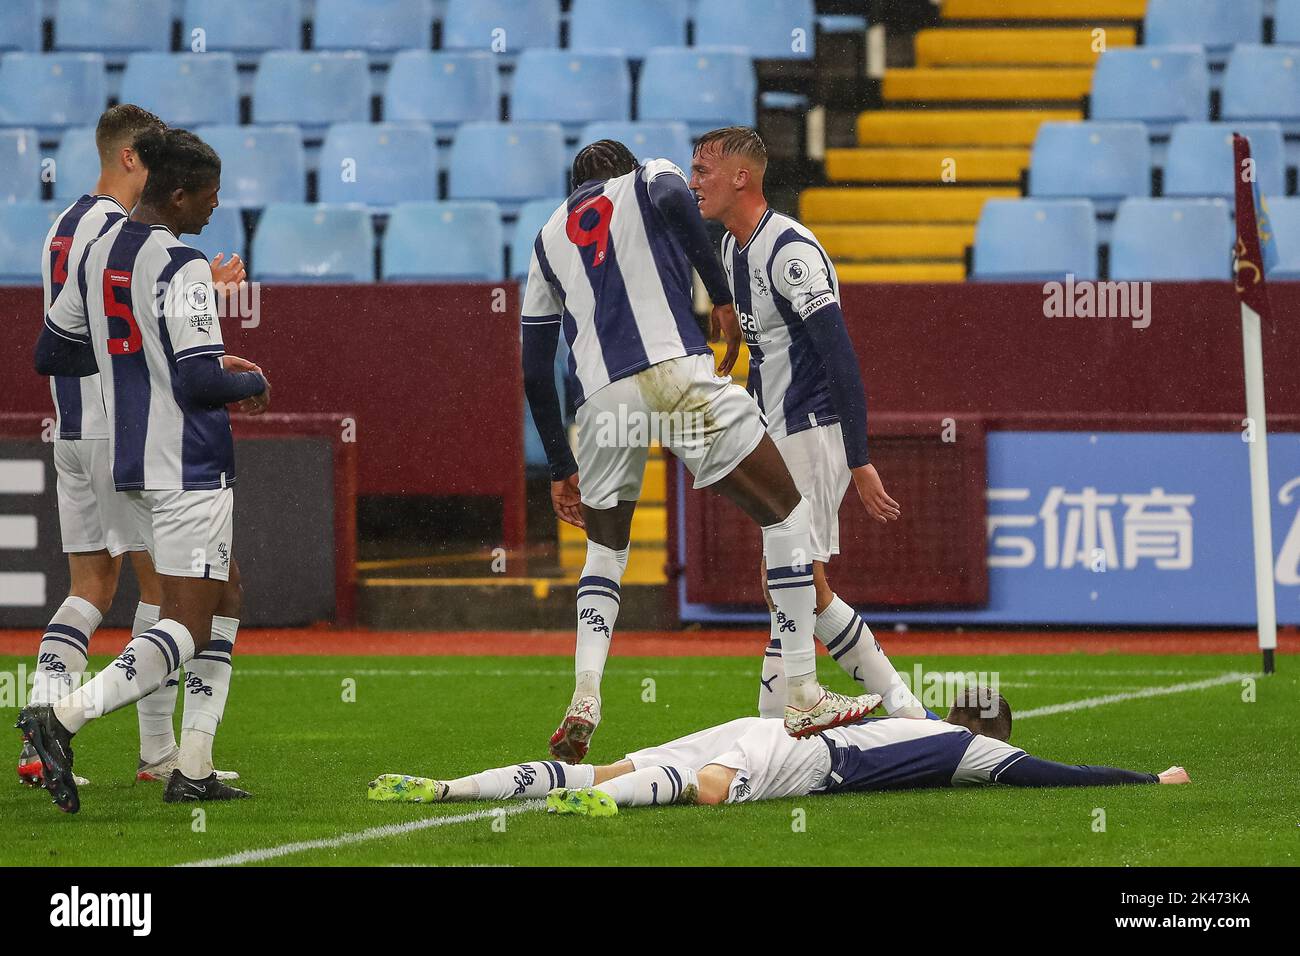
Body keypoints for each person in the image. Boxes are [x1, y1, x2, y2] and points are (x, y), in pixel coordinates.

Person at [521, 140, 879, 763]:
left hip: (603, 401)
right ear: (622, 168)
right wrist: (720, 294)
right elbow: (668, 197)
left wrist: (559, 464)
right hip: (674, 375)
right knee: (786, 515)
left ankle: (585, 695)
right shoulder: (648, 177)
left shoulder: (547, 238)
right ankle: (802, 688)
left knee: (605, 552)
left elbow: (533, 367)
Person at [18, 127, 269, 813]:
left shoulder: (99, 252)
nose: (215, 209)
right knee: (186, 622)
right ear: (179, 194)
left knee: (226, 592)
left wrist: (133, 373)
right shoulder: (184, 265)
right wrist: (251, 381)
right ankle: (62, 717)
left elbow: (51, 352)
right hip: (189, 461)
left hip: (129, 459)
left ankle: (193, 764)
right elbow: (197, 383)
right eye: (210, 197)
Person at [689, 127, 926, 720]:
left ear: (741, 176)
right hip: (773, 428)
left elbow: (838, 353)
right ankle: (842, 710)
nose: (694, 184)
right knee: (788, 581)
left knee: (793, 578)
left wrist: (859, 455)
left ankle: (879, 710)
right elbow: (766, 334)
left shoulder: (789, 252)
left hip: (809, 428)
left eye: (703, 171)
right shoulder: (730, 250)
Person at [366, 690, 1190, 814]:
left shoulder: (907, 712)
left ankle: (446, 788)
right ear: (989, 733)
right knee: (712, 791)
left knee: (610, 762)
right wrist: (1151, 776)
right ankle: (598, 805)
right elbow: (1051, 776)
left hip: (759, 722)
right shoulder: (960, 749)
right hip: (806, 761)